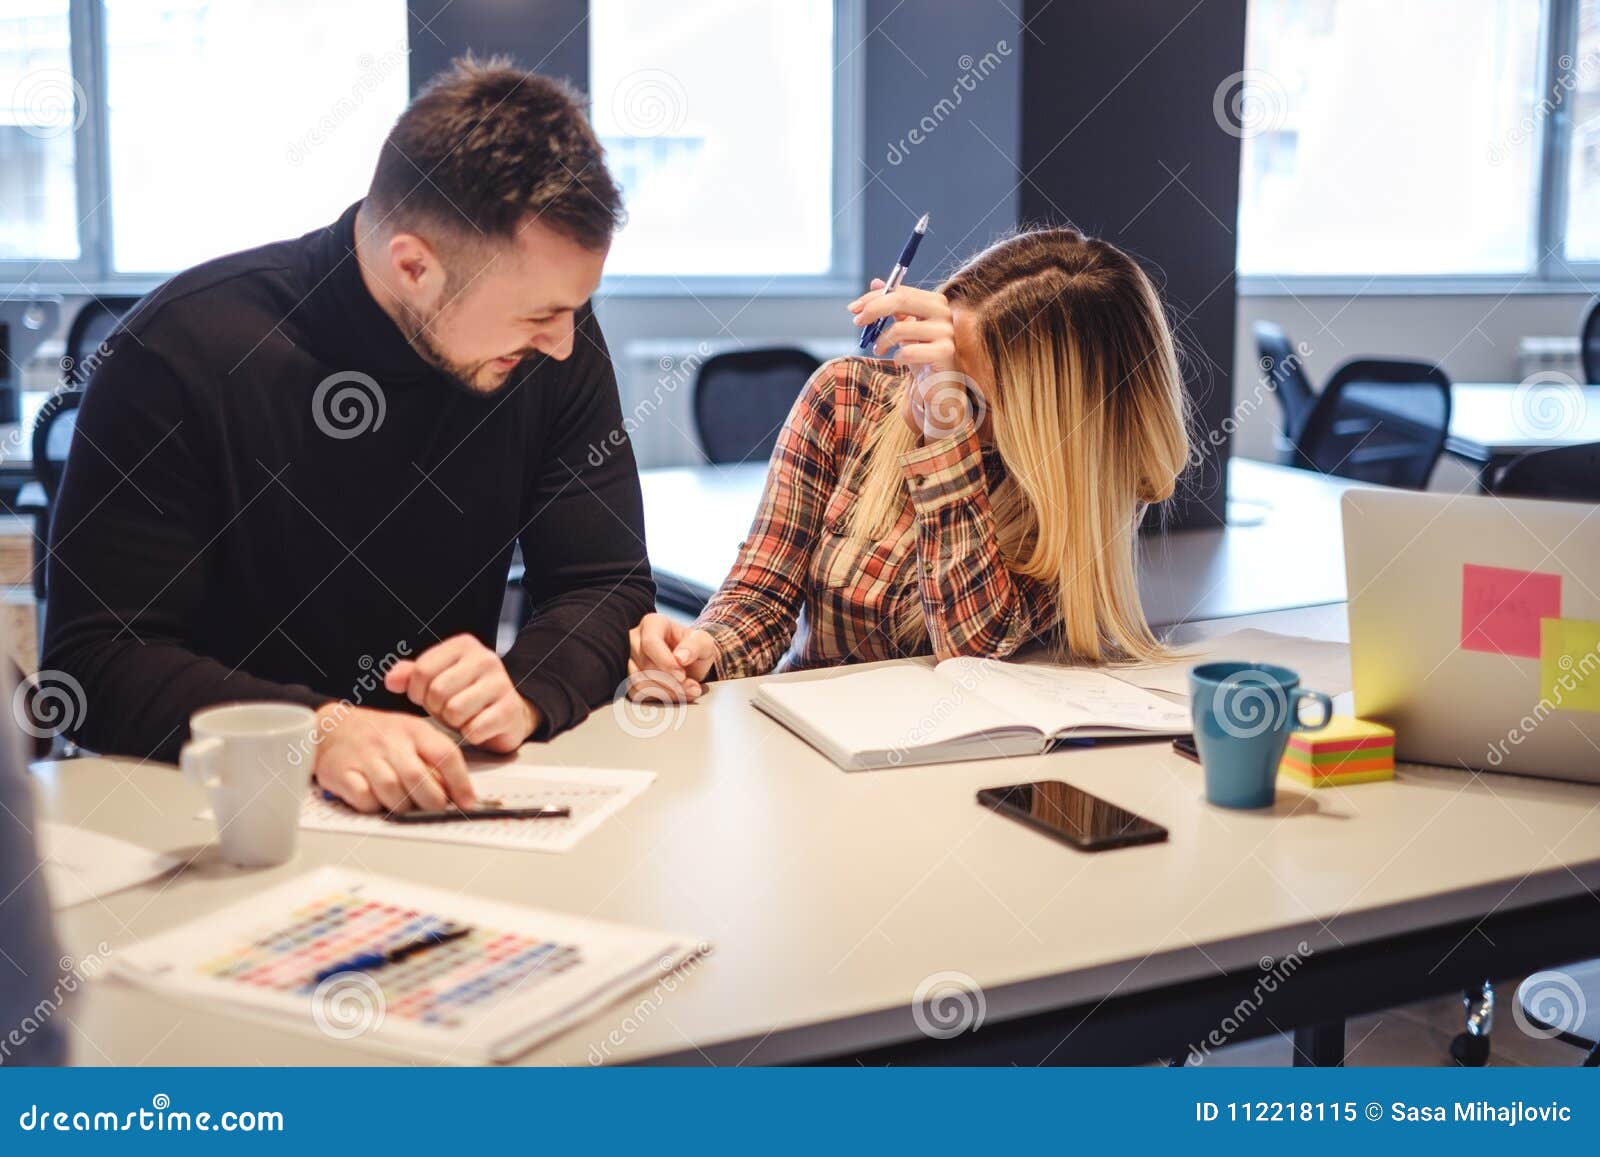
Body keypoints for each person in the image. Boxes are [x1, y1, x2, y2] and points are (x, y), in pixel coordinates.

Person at [43, 57, 654, 812]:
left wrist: (526, 687)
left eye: (571, 309)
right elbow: (95, 661)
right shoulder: (181, 352)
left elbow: (606, 581)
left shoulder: (549, 337)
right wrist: (317, 731)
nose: (564, 342)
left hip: (442, 799)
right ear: (413, 266)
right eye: (538, 316)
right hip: (219, 815)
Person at [626, 228, 1190, 700]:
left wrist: (947, 440)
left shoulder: (1081, 480)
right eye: (944, 364)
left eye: (972, 388)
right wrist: (709, 647)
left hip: (982, 769)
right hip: (812, 749)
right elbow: (762, 595)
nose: (943, 390)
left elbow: (977, 655)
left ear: (1055, 415)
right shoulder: (847, 398)